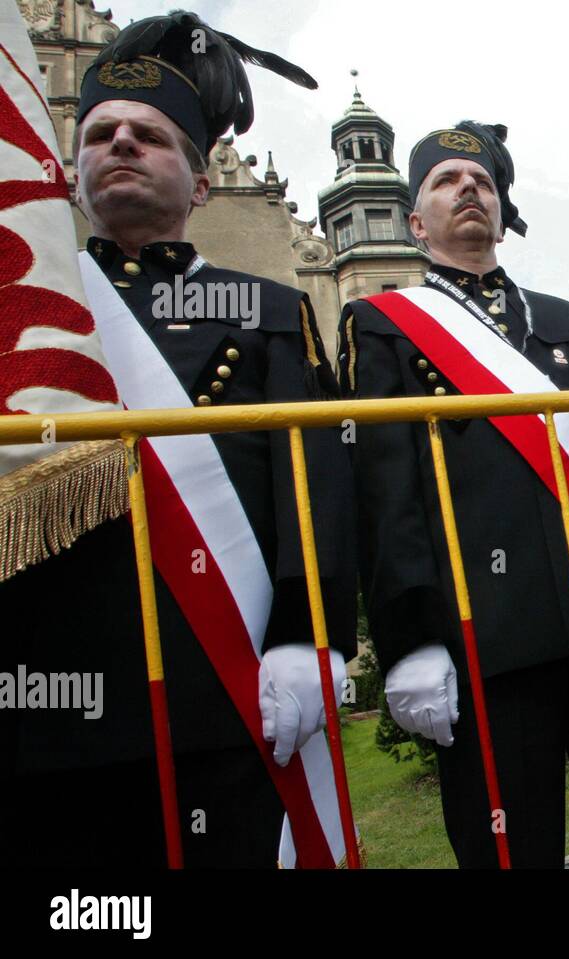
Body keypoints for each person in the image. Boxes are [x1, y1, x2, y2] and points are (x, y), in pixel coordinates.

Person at [0, 12, 355, 868]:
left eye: (151, 137)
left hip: (224, 686)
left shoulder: (271, 312)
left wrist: (313, 634)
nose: (121, 142)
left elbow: (316, 484)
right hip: (53, 694)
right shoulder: (29, 317)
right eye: (101, 134)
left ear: (200, 182)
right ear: (72, 177)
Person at [340, 121, 569, 868]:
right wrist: (408, 640)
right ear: (413, 220)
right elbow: (385, 492)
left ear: (501, 210)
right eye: (445, 182)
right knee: (511, 851)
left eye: (482, 182)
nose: (468, 190)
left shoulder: (568, 322)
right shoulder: (382, 326)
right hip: (484, 640)